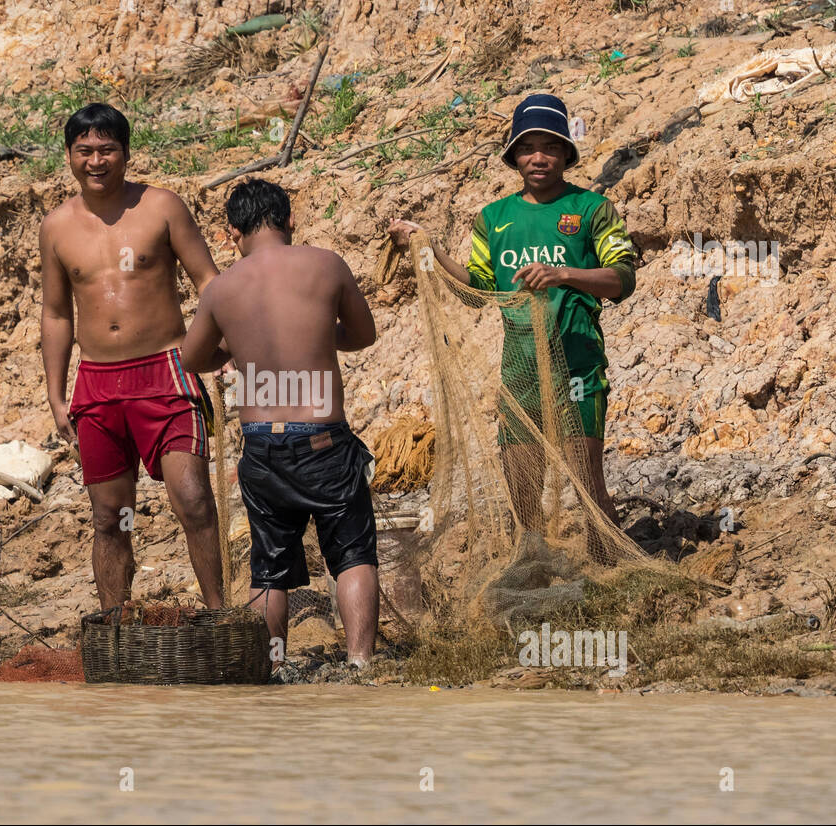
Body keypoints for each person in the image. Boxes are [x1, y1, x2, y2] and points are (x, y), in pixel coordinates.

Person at [388, 93, 638, 555]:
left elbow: (623, 279)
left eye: (549, 146)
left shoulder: (590, 210)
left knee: (589, 490)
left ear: (566, 151)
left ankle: (611, 571)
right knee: (524, 495)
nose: (538, 158)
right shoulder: (493, 218)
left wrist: (563, 274)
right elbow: (474, 288)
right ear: (513, 156)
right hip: (520, 369)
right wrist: (426, 245)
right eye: (527, 148)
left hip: (579, 364)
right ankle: (535, 571)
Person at [180, 178, 380, 668]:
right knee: (352, 554)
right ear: (291, 220)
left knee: (268, 568)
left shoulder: (223, 289)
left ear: (232, 233)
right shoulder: (326, 264)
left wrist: (237, 349)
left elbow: (192, 358)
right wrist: (315, 334)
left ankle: (271, 668)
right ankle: (360, 664)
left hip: (263, 448)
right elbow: (364, 333)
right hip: (324, 441)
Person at [39, 103, 224, 610]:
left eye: (106, 150)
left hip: (166, 371)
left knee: (194, 502)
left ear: (125, 153)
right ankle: (116, 630)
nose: (95, 161)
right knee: (109, 517)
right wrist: (56, 397)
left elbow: (208, 282)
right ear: (69, 156)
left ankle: (218, 617)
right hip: (97, 382)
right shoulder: (56, 227)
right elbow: (56, 315)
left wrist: (224, 344)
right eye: (84, 151)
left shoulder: (161, 206)